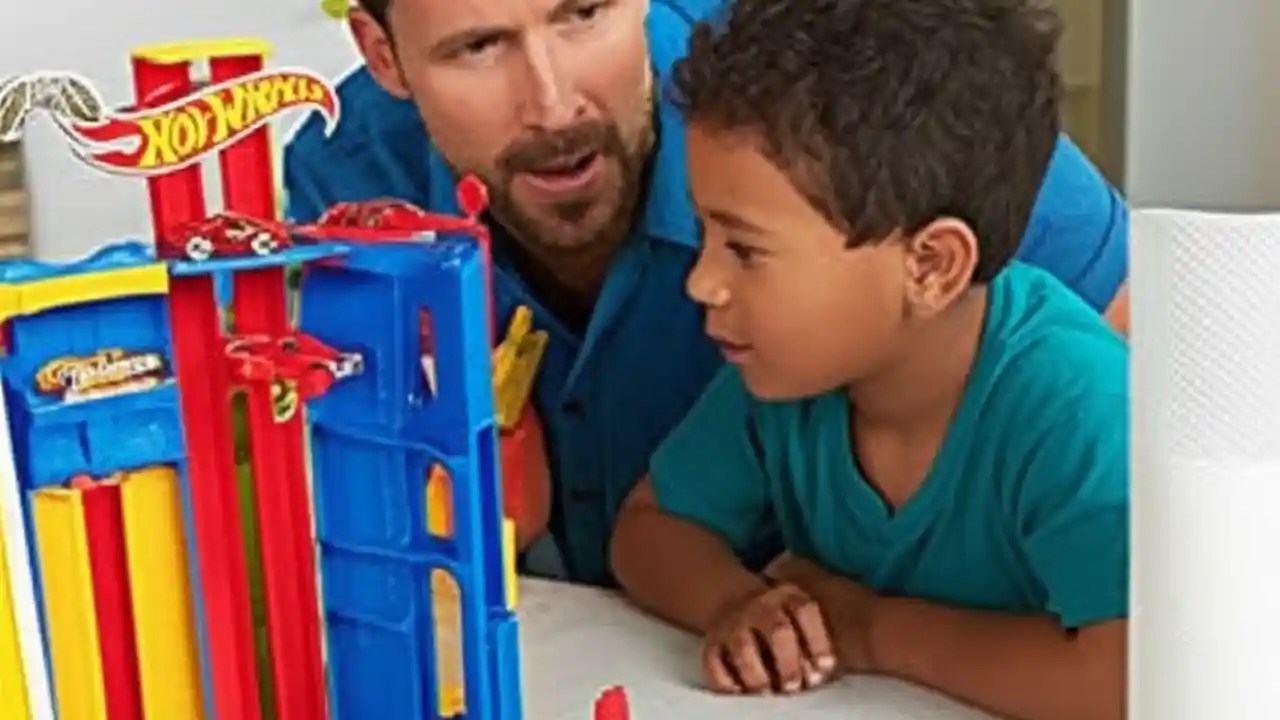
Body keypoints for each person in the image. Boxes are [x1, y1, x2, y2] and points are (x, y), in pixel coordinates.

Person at [282, 0, 1130, 586]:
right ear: (382, 55)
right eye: (477, 46)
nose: (553, 104)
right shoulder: (351, 186)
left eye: (585, 12)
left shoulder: (849, 100)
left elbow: (1152, 412)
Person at [609, 1, 1128, 718]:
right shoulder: (790, 379)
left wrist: (870, 629)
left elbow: (1131, 678)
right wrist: (738, 604)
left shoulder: (1075, 408)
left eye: (746, 250)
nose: (701, 282)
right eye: (704, 234)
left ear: (931, 265)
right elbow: (649, 529)